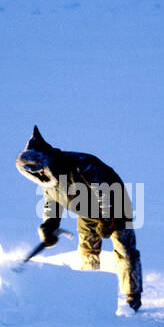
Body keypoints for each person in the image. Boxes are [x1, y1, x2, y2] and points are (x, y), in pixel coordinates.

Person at [15, 126, 142, 312]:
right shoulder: (46, 178)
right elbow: (51, 201)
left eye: (39, 168)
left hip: (115, 204)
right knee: (87, 250)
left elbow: (104, 190)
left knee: (125, 250)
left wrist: (107, 219)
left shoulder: (81, 164)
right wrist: (49, 225)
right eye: (31, 169)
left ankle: (132, 298)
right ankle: (92, 294)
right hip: (85, 209)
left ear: (47, 161)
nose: (37, 173)